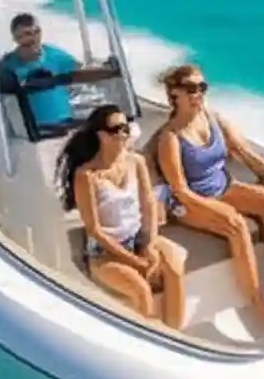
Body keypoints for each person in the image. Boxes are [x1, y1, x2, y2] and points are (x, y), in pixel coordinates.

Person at [154, 64, 264, 334]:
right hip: (189, 203)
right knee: (236, 225)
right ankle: (261, 309)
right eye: (190, 89)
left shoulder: (212, 117)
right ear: (174, 93)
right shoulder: (170, 138)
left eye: (202, 87)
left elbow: (241, 150)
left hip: (224, 187)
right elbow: (180, 190)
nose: (197, 93)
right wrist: (216, 208)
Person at [58, 105, 187, 329]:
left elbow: (149, 205)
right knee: (140, 290)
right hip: (105, 253)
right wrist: (135, 262)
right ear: (101, 136)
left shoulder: (136, 161)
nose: (124, 134)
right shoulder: (86, 176)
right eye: (117, 129)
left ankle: (175, 334)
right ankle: (148, 342)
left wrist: (149, 244)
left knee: (174, 269)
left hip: (136, 240)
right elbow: (94, 231)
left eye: (126, 128)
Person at [0, 12, 120, 135]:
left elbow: (79, 72)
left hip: (66, 122)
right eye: (28, 34)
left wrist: (110, 72)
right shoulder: (8, 65)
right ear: (16, 38)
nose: (34, 37)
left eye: (37, 32)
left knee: (113, 119)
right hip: (39, 128)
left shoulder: (51, 53)